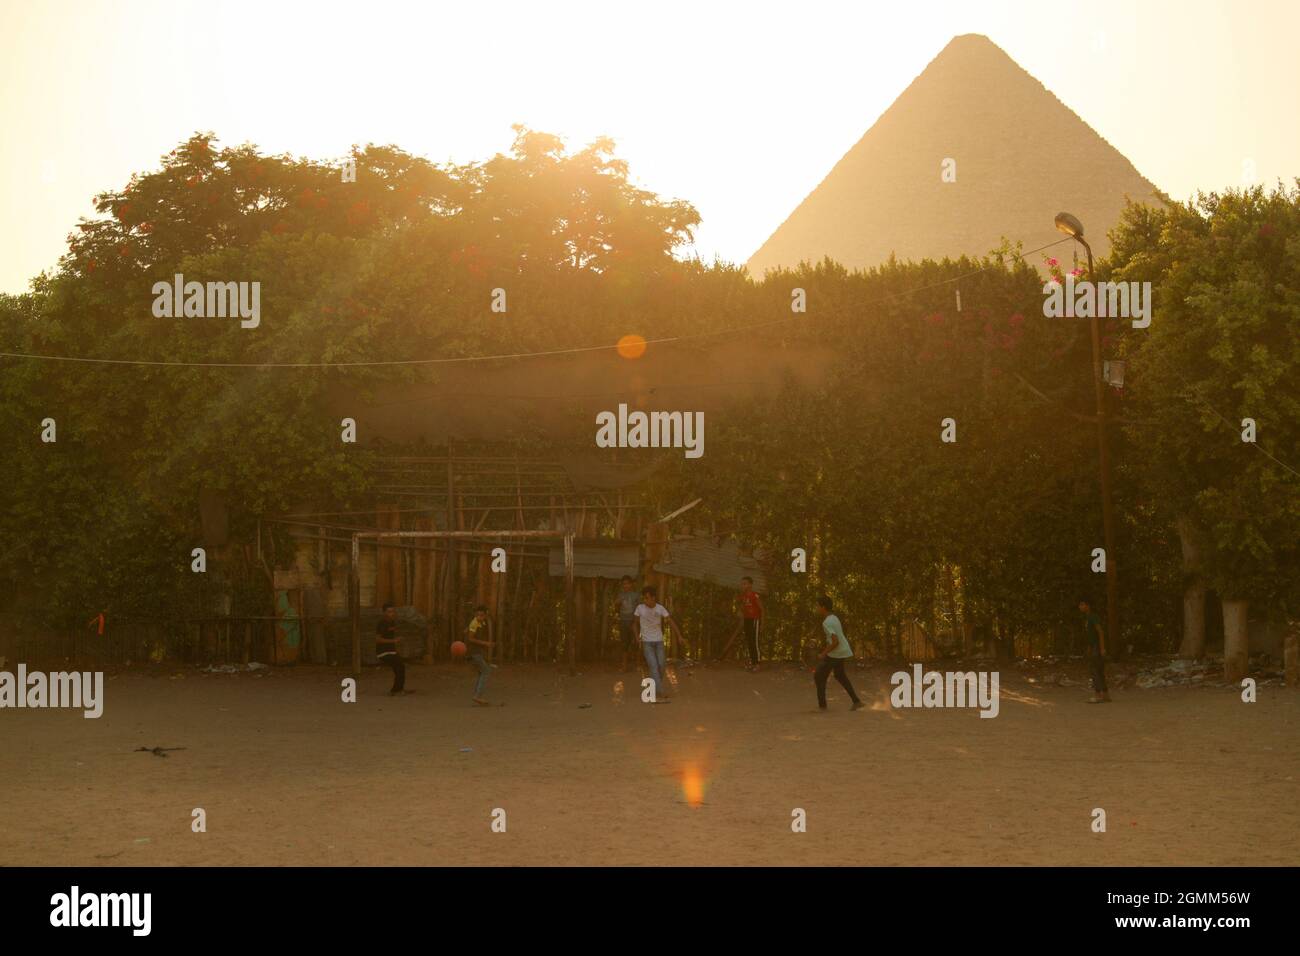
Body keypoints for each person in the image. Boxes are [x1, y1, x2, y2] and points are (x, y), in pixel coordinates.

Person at [634, 586, 688, 701]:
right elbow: (634, 624)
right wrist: (637, 637)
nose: (645, 600)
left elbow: (671, 622)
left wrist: (679, 636)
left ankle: (654, 684)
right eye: (644, 598)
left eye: (647, 598)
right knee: (653, 666)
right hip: (646, 642)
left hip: (658, 641)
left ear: (653, 598)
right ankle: (661, 690)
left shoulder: (660, 608)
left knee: (662, 665)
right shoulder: (640, 608)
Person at [814, 596, 863, 711]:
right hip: (842, 650)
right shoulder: (834, 618)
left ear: (823, 607)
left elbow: (835, 641)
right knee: (839, 675)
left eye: (817, 606)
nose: (816, 608)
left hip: (835, 653)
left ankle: (822, 707)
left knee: (819, 676)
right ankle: (856, 701)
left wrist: (823, 653)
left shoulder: (826, 622)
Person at [1078, 596, 1111, 703]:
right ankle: (1105, 695)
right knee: (1099, 671)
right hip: (1093, 646)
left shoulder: (1093, 617)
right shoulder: (1087, 618)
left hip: (1097, 646)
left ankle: (1098, 695)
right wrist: (1089, 647)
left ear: (1088, 605)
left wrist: (1102, 648)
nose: (1080, 607)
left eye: (1082, 604)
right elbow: (1090, 635)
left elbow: (1100, 632)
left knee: (1095, 671)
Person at [465, 604, 496, 706]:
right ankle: (477, 696)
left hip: (476, 652)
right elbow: (470, 638)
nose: (479, 617)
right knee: (486, 671)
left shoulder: (481, 623)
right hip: (474, 652)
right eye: (478, 615)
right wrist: (486, 643)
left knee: (482, 672)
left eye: (482, 615)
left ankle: (477, 695)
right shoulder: (475, 623)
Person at [376, 603, 405, 696]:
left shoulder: (392, 622)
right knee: (400, 666)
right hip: (383, 652)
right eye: (389, 612)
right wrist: (394, 641)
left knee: (399, 667)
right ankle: (397, 690)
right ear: (384, 613)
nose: (391, 613)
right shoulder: (382, 623)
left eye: (393, 611)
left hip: (391, 651)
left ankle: (397, 689)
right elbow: (378, 639)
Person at [739, 576, 764, 671]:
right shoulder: (743, 596)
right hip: (747, 620)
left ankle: (757, 663)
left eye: (745, 583)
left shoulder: (755, 595)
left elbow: (762, 609)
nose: (743, 585)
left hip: (754, 620)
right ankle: (753, 662)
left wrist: (762, 623)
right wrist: (741, 613)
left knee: (755, 641)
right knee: (749, 641)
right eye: (742, 584)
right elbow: (743, 607)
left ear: (750, 585)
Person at [616, 576, 640, 673]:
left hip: (634, 621)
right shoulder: (620, 595)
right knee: (624, 644)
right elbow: (616, 605)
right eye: (624, 584)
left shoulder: (636, 595)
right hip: (623, 621)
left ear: (631, 584)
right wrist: (617, 602)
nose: (626, 585)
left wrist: (637, 620)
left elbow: (640, 608)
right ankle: (624, 666)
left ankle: (638, 665)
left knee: (636, 643)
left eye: (627, 583)